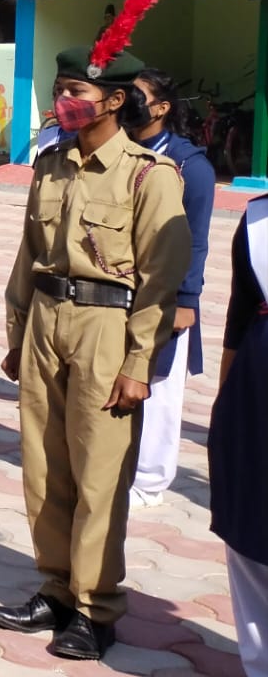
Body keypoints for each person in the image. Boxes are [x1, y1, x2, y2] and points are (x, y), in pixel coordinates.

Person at [0, 0, 191, 662]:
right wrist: (17, 333)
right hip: (46, 319)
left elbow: (160, 283)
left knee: (100, 472)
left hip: (106, 328)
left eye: (74, 89)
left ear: (111, 99)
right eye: (59, 88)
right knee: (44, 466)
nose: (62, 100)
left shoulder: (148, 176)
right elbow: (28, 255)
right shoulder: (51, 162)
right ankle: (54, 588)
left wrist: (139, 365)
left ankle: (97, 608)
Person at [128, 67, 215, 507]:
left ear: (161, 107)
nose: (126, 101)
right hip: (122, 289)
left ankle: (150, 480)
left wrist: (186, 299)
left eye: (137, 95)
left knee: (159, 387)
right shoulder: (120, 151)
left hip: (165, 294)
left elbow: (197, 239)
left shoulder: (187, 164)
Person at [209, 194, 268, 677]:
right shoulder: (256, 220)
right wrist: (224, 406)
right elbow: (238, 317)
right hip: (256, 389)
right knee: (250, 532)